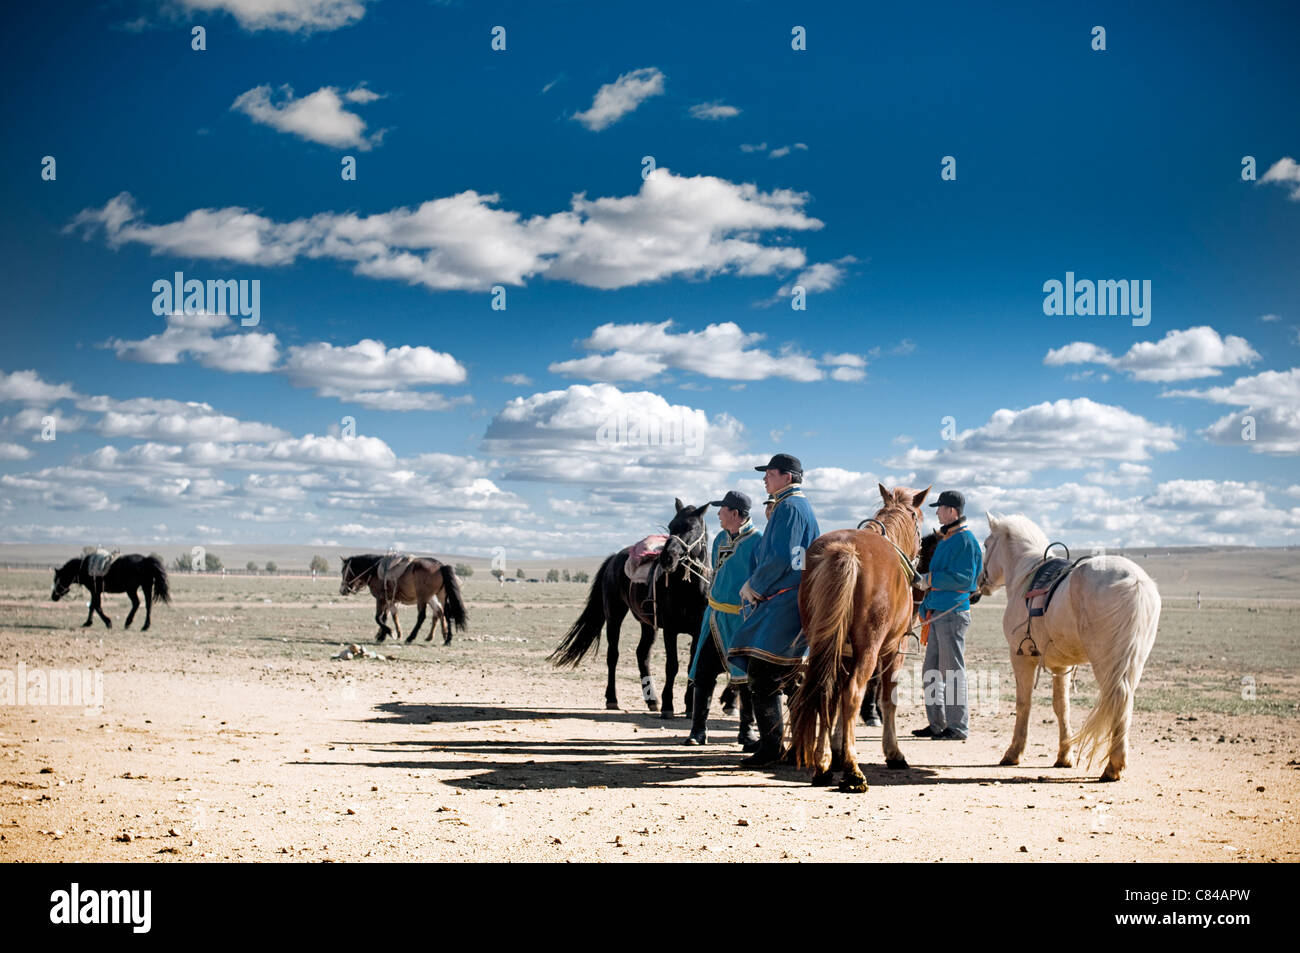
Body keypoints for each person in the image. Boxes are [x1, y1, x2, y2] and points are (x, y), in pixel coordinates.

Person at [728, 453, 821, 767]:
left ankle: (772, 748)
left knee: (762, 674)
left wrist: (755, 585)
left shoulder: (791, 507)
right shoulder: (794, 506)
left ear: (788, 477)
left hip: (783, 600)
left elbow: (782, 556)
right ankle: (797, 747)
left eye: (769, 473)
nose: (764, 479)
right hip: (789, 598)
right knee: (790, 677)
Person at [685, 490, 762, 747]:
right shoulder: (719, 539)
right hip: (715, 617)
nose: (718, 514)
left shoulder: (758, 541)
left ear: (736, 514)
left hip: (741, 621)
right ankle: (698, 731)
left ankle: (747, 731)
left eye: (723, 510)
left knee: (744, 678)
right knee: (703, 672)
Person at [912, 490, 982, 741]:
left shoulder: (966, 541)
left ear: (951, 511)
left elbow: (966, 579)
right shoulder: (949, 538)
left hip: (952, 613)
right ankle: (937, 724)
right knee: (931, 671)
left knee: (952, 672)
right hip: (938, 611)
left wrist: (928, 580)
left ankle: (958, 727)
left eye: (940, 508)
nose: (937, 513)